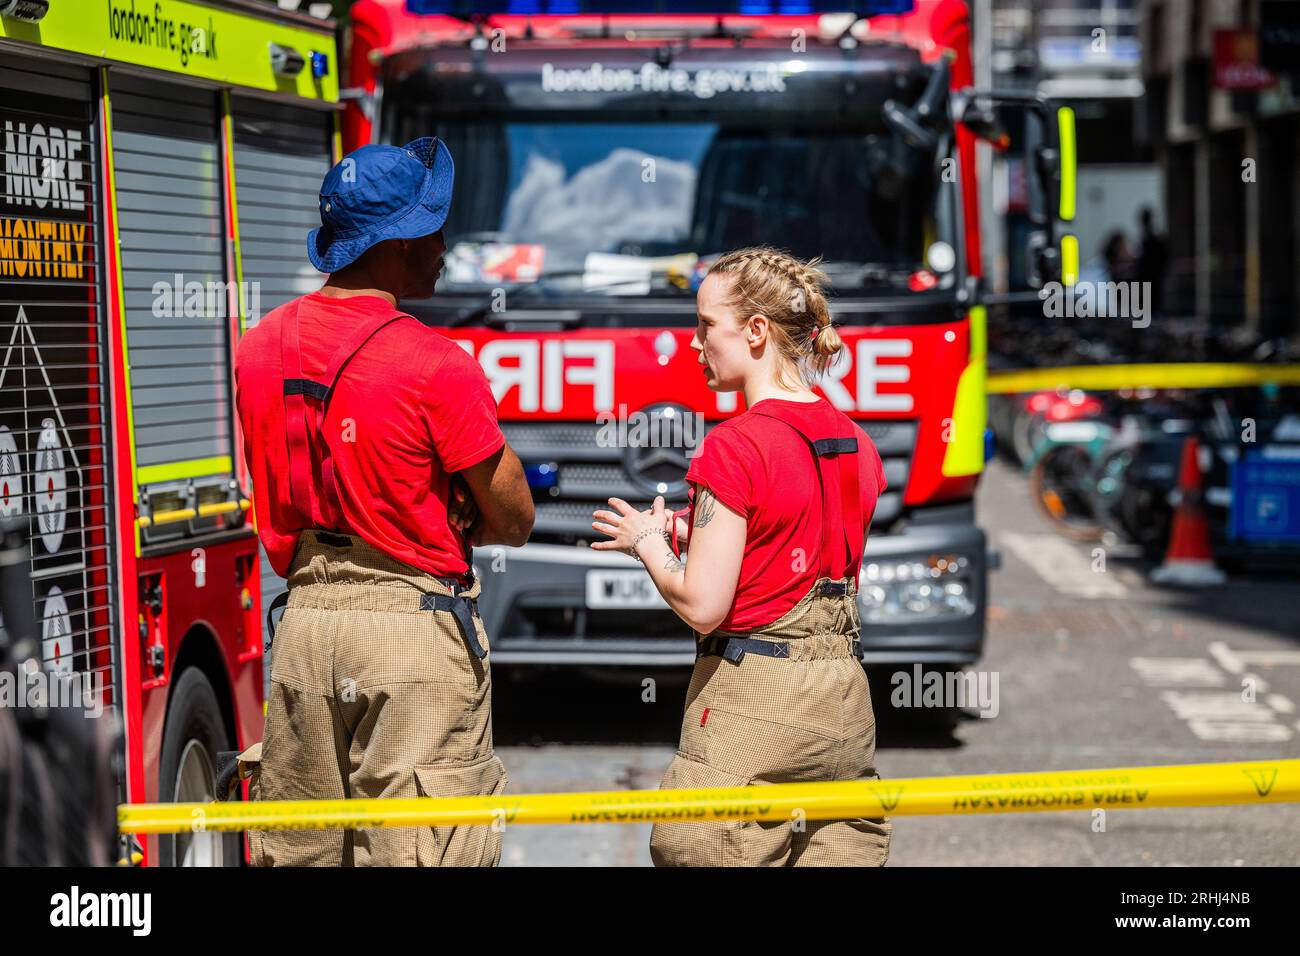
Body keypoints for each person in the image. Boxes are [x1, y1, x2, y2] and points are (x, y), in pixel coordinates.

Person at [233, 137, 533, 867]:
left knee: (299, 852)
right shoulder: (436, 363)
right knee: (421, 849)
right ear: (395, 245)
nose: (444, 246)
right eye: (432, 230)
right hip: (411, 627)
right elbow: (515, 518)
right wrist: (454, 497)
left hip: (303, 627)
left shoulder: (257, 346)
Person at [591, 247, 892, 866]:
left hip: (754, 698)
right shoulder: (856, 442)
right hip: (844, 699)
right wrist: (695, 530)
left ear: (756, 332)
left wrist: (650, 544)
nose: (694, 344)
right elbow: (792, 537)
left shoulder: (735, 445)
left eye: (705, 326)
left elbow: (704, 605)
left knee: (698, 846)